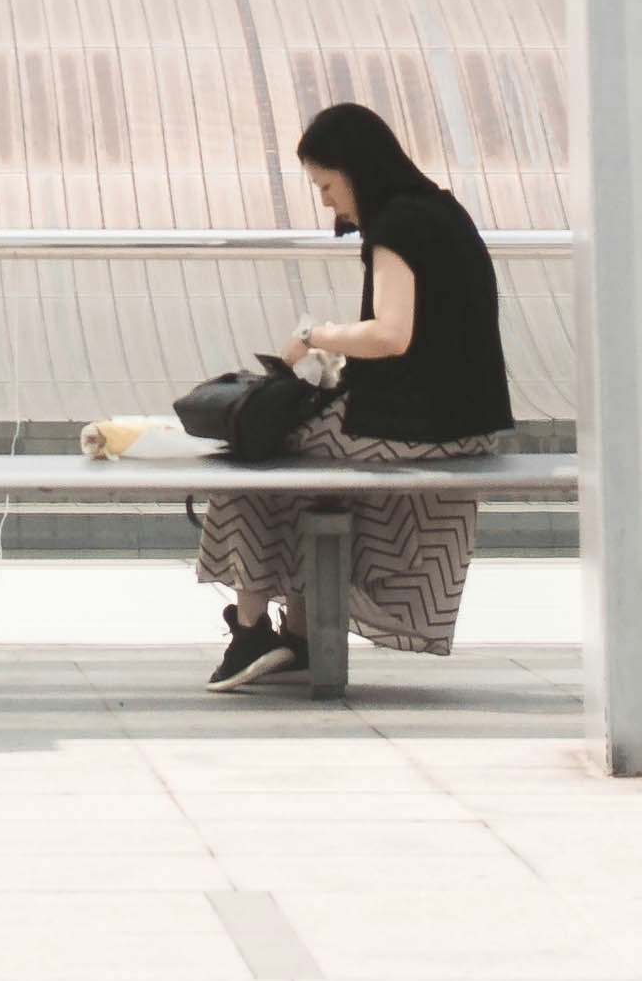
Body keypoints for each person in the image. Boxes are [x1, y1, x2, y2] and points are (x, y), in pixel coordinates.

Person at [197, 98, 515, 691]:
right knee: (299, 458)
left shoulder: (395, 226)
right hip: (463, 422)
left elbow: (392, 335)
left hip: (418, 431)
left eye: (325, 184)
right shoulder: (441, 212)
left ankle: (250, 630)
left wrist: (311, 337)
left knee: (254, 454)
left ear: (354, 169)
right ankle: (297, 633)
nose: (324, 200)